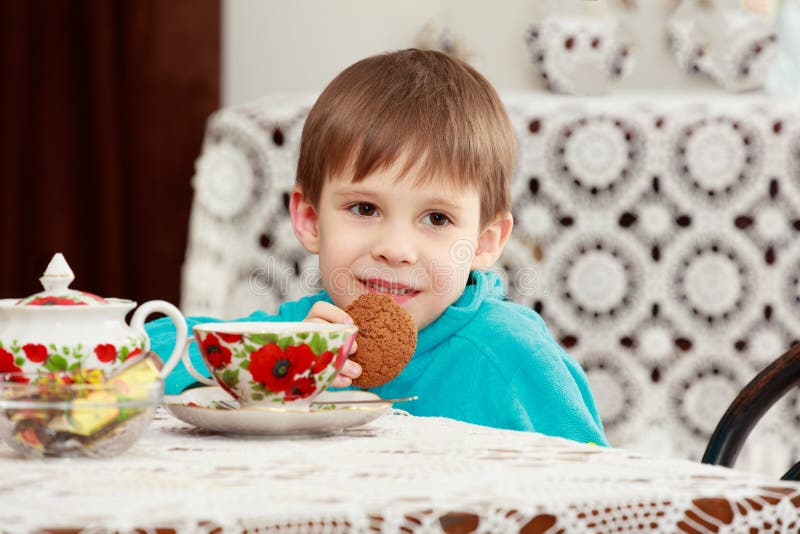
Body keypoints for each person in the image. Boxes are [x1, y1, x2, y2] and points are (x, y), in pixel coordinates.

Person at [147, 49, 608, 446]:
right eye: (365, 209)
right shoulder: (298, 337)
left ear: (485, 243)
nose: (396, 249)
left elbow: (603, 493)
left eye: (436, 218)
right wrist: (267, 361)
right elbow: (133, 352)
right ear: (310, 220)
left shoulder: (509, 353)